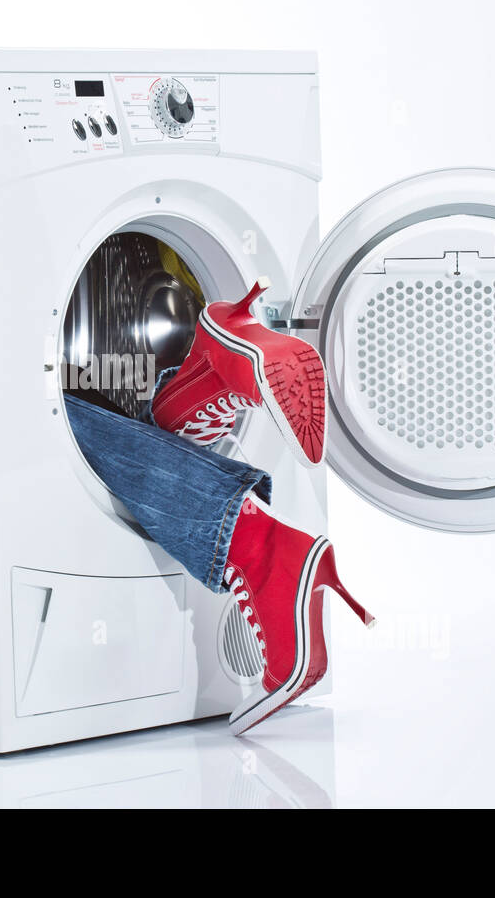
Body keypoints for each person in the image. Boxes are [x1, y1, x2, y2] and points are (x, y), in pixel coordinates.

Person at [64, 277, 375, 735]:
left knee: (46, 416)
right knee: (68, 417)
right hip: (98, 401)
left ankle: (259, 547)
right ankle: (207, 376)